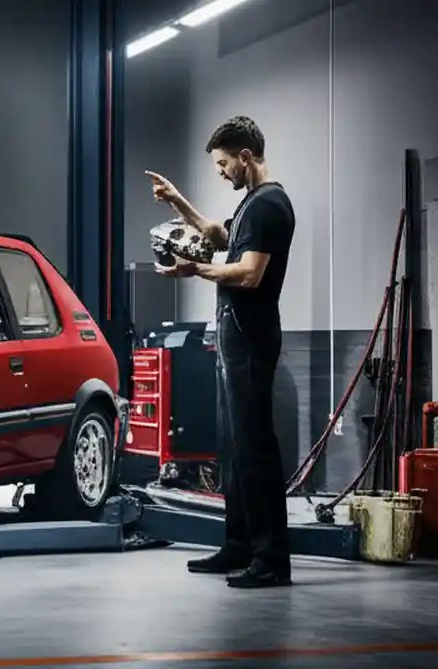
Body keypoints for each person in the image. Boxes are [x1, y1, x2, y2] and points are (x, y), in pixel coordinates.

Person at [147, 116, 296, 589]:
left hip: (251, 339)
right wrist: (178, 202)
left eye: (223, 164)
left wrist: (193, 271)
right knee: (232, 450)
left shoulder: (270, 205)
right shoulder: (252, 203)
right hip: (233, 338)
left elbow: (249, 272)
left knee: (254, 450)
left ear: (246, 157)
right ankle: (238, 546)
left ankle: (271, 559)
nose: (222, 172)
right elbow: (219, 235)